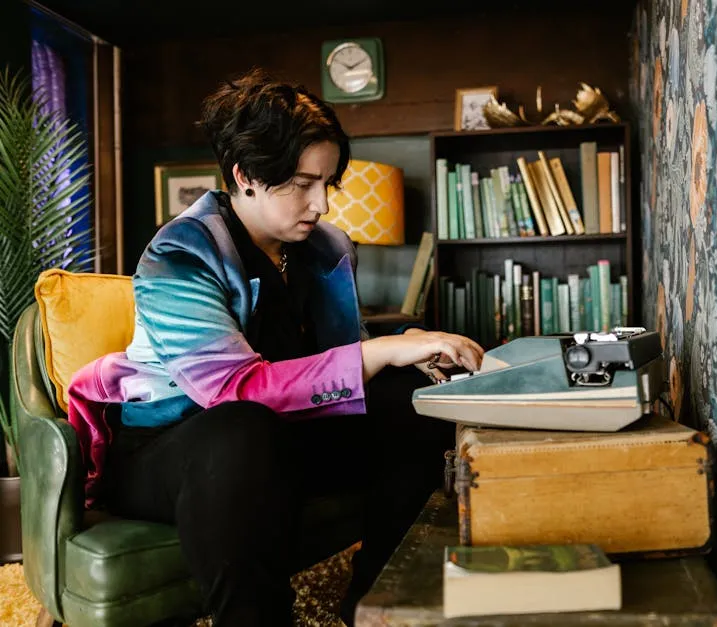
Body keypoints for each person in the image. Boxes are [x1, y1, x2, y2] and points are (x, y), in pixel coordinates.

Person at [68, 68, 483, 627]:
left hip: (280, 436)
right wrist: (378, 351)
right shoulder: (179, 254)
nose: (322, 205)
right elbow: (232, 390)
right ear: (246, 176)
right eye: (302, 184)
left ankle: (376, 601)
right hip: (171, 448)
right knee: (241, 429)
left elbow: (335, 359)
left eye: (327, 184)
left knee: (412, 397)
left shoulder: (323, 247)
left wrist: (400, 348)